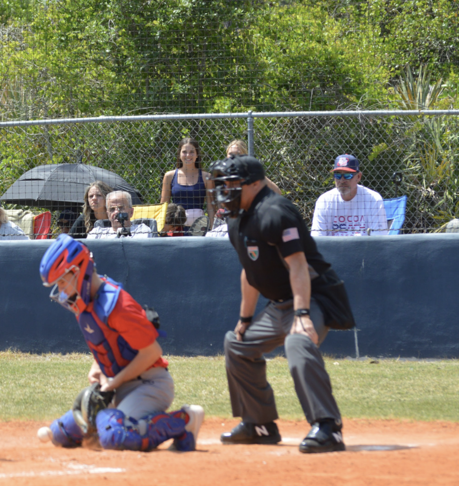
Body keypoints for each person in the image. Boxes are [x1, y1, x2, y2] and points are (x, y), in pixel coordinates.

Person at [209, 155, 350, 454]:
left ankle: (328, 427)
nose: (226, 189)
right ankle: (260, 425)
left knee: (298, 343)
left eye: (234, 183)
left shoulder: (276, 211)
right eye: (223, 183)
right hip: (279, 305)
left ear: (256, 183)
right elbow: (250, 270)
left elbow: (298, 266)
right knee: (237, 344)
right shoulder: (237, 217)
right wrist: (245, 319)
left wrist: (302, 315)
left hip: (313, 296)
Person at [38, 234, 204, 451]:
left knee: (114, 436)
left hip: (150, 384)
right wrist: (97, 368)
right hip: (119, 385)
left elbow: (152, 352)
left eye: (61, 282)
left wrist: (114, 382)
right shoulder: (83, 302)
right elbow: (105, 341)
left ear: (78, 272)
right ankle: (121, 414)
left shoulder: (117, 304)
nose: (60, 291)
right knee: (63, 432)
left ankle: (185, 420)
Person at [311, 154, 387, 237]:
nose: (342, 180)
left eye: (348, 175)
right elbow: (317, 240)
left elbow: (378, 240)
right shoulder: (324, 201)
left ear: (358, 177)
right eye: (338, 175)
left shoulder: (373, 200)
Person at [160, 137, 215, 228]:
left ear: (197, 155)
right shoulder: (169, 176)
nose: (188, 155)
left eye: (192, 152)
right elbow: (163, 207)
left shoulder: (207, 177)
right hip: (176, 228)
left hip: (199, 230)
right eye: (184, 152)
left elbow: (211, 208)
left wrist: (214, 231)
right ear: (179, 154)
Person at [86, 191, 155, 239]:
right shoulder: (97, 233)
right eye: (112, 209)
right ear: (108, 214)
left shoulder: (142, 231)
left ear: (131, 212)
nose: (116, 212)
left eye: (121, 208)